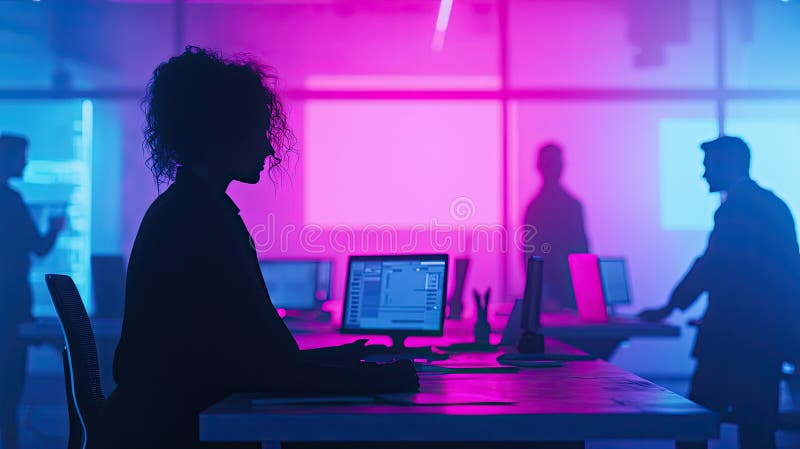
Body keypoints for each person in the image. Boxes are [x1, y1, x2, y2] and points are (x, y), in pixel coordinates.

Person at [104, 47, 418, 449]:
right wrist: (386, 376)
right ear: (220, 132)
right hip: (181, 432)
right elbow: (258, 369)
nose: (269, 148)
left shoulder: (189, 210)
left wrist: (332, 359)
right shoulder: (201, 222)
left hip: (164, 422)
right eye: (259, 132)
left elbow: (242, 360)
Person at [639, 136, 800, 449]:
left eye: (708, 166)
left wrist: (670, 307)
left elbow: (711, 265)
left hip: (734, 341)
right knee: (757, 431)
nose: (703, 175)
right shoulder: (767, 204)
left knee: (694, 425)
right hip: (763, 341)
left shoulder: (737, 209)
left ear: (730, 165)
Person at [0, 133, 66, 449]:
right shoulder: (10, 200)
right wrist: (54, 229)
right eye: (21, 156)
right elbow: (38, 247)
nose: (25, 162)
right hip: (10, 310)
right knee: (8, 391)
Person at [522, 143, 589, 311]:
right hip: (548, 296)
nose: (554, 169)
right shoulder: (535, 209)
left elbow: (582, 251)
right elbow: (528, 255)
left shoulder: (573, 206)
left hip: (572, 294)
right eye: (550, 164)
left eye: (556, 164)